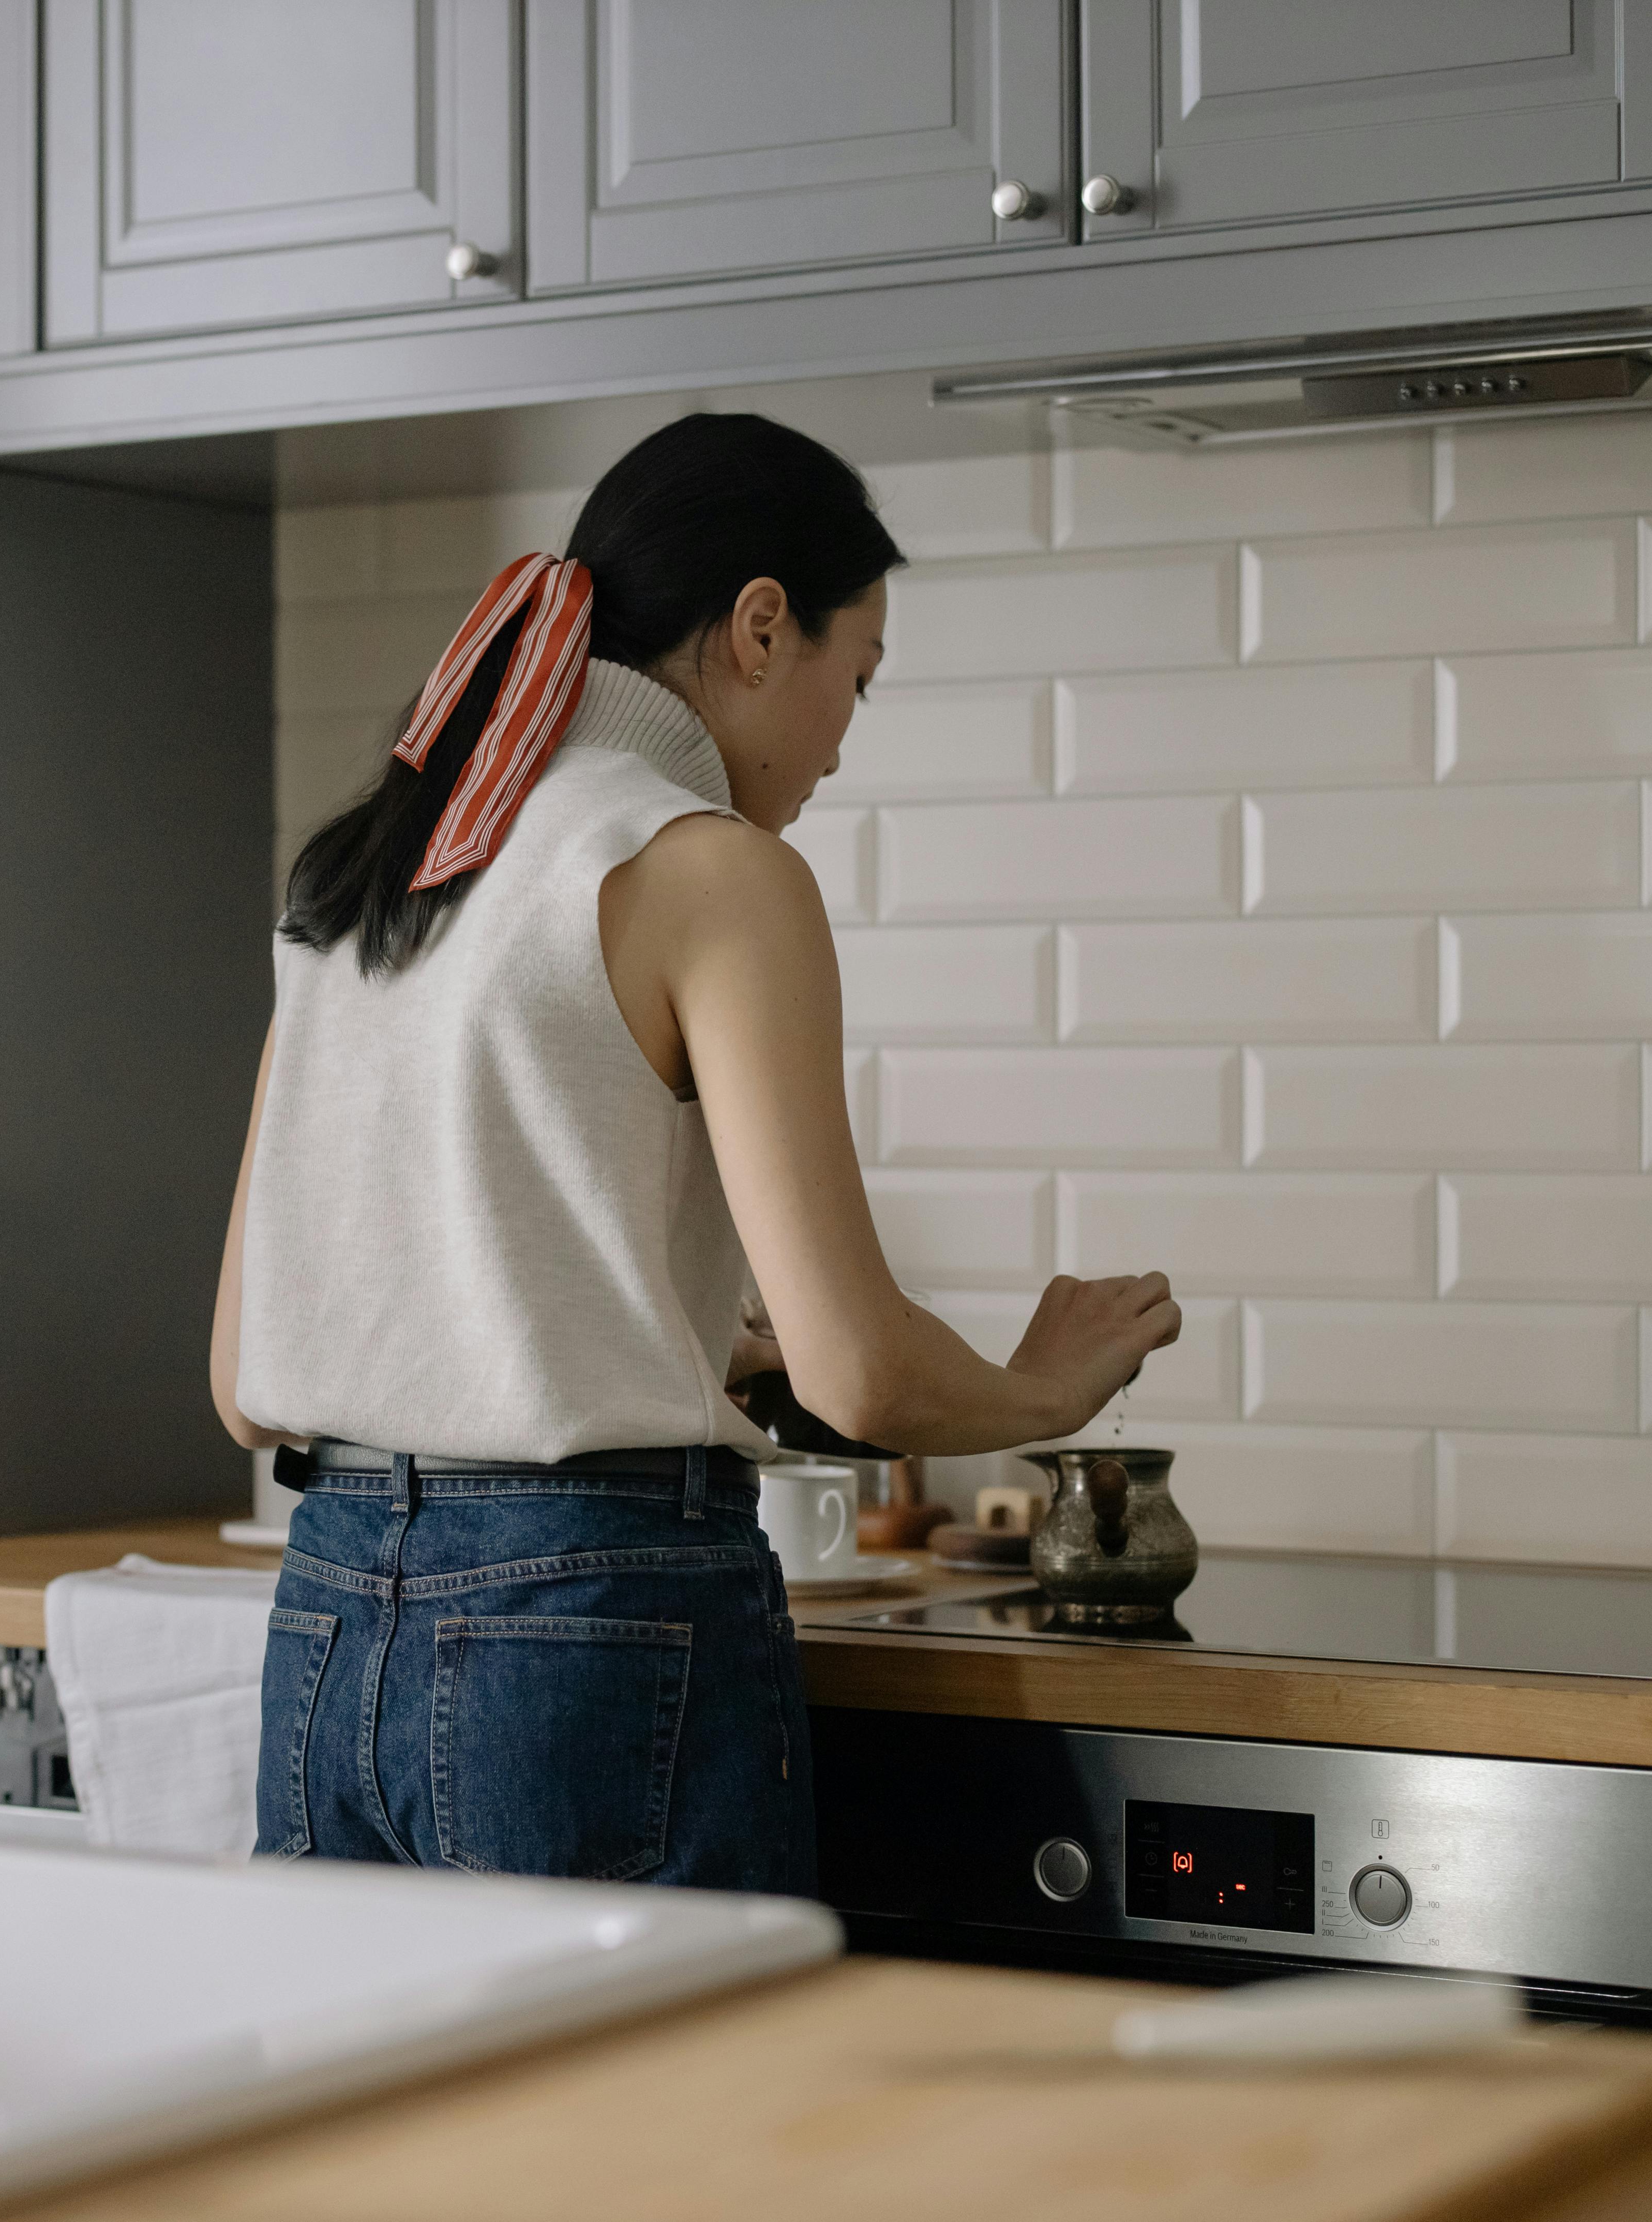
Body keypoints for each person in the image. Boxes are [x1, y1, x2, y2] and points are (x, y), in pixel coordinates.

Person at [209, 412, 1180, 1893]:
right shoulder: (711, 870)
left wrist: (671, 1340)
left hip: (329, 1624)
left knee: (414, 2130)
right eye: (854, 680)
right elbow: (860, 1378)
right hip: (585, 1632)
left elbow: (243, 1382)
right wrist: (1046, 1382)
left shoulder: (367, 869)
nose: (843, 741)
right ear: (758, 626)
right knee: (666, 2126)